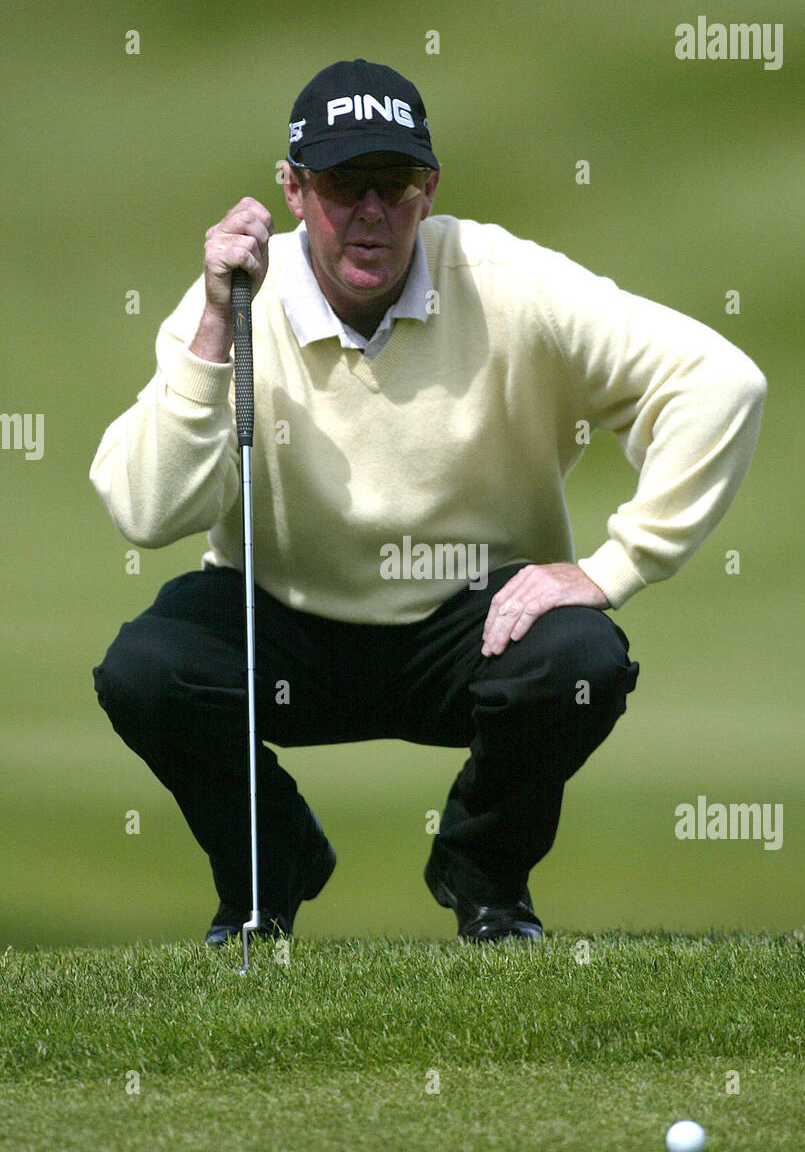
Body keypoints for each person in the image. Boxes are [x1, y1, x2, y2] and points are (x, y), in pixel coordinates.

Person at [90, 59, 766, 945]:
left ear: (429, 187)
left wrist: (615, 565)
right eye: (342, 184)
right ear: (294, 190)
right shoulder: (236, 301)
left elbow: (720, 381)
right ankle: (268, 869)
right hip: (284, 619)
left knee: (578, 659)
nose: (371, 211)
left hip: (469, 626)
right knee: (146, 670)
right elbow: (146, 511)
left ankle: (484, 878)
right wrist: (217, 327)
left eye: (395, 183)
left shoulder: (505, 279)